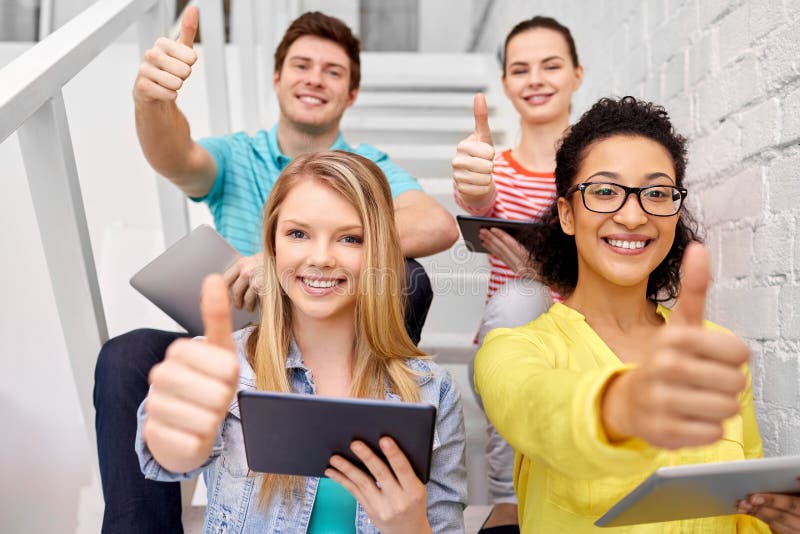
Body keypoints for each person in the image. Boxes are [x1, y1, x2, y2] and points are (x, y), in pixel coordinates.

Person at [94, 8, 458, 533]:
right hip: (237, 335)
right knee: (126, 355)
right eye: (301, 65)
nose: (314, 78)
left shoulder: (369, 165)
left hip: (347, 329)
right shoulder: (238, 156)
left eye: (332, 71)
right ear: (277, 77)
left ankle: (377, 391)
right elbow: (174, 153)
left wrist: (327, 246)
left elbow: (437, 224)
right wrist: (153, 102)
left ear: (351, 93)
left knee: (408, 277)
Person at [473, 95, 782, 532]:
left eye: (657, 193)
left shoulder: (715, 351)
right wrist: (622, 406)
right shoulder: (516, 347)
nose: (634, 215)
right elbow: (536, 407)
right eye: (604, 191)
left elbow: (748, 513)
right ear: (566, 213)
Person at [136, 151, 467, 532]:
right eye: (298, 234)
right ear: (272, 247)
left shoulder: (433, 390)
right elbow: (171, 456)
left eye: (350, 238)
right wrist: (176, 443)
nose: (321, 257)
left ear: (380, 250)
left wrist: (412, 528)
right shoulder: (224, 363)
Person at [450, 16, 582, 532]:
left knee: (535, 292)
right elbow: (479, 197)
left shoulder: (599, 173)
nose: (536, 79)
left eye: (551, 65)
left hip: (582, 348)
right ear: (504, 82)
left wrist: (546, 270)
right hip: (509, 351)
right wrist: (478, 185)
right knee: (522, 301)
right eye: (520, 69)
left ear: (576, 73)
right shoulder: (492, 168)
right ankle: (509, 499)